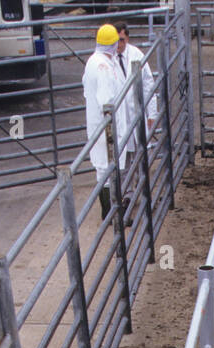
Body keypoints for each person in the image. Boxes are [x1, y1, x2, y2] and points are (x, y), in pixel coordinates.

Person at [82, 24, 129, 221]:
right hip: (106, 128)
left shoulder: (95, 60)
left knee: (106, 168)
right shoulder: (102, 66)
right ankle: (111, 214)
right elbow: (106, 100)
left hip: (100, 125)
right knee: (107, 169)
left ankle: (112, 210)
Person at [115, 20, 158, 150]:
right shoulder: (109, 57)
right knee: (122, 158)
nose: (118, 44)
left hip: (136, 112)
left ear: (127, 38)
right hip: (119, 117)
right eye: (115, 40)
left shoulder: (137, 55)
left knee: (140, 155)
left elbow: (147, 84)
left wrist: (152, 113)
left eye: (121, 40)